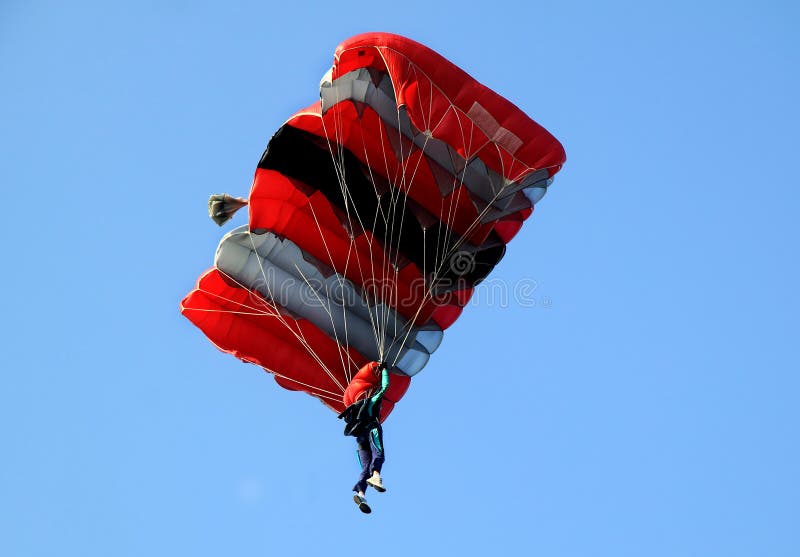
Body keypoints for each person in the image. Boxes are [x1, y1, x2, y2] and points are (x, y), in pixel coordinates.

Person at [338, 361, 390, 514]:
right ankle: (376, 476)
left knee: (366, 468)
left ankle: (361, 494)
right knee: (378, 454)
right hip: (371, 430)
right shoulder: (372, 401)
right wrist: (384, 370)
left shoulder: (353, 410)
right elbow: (385, 387)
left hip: (360, 440)